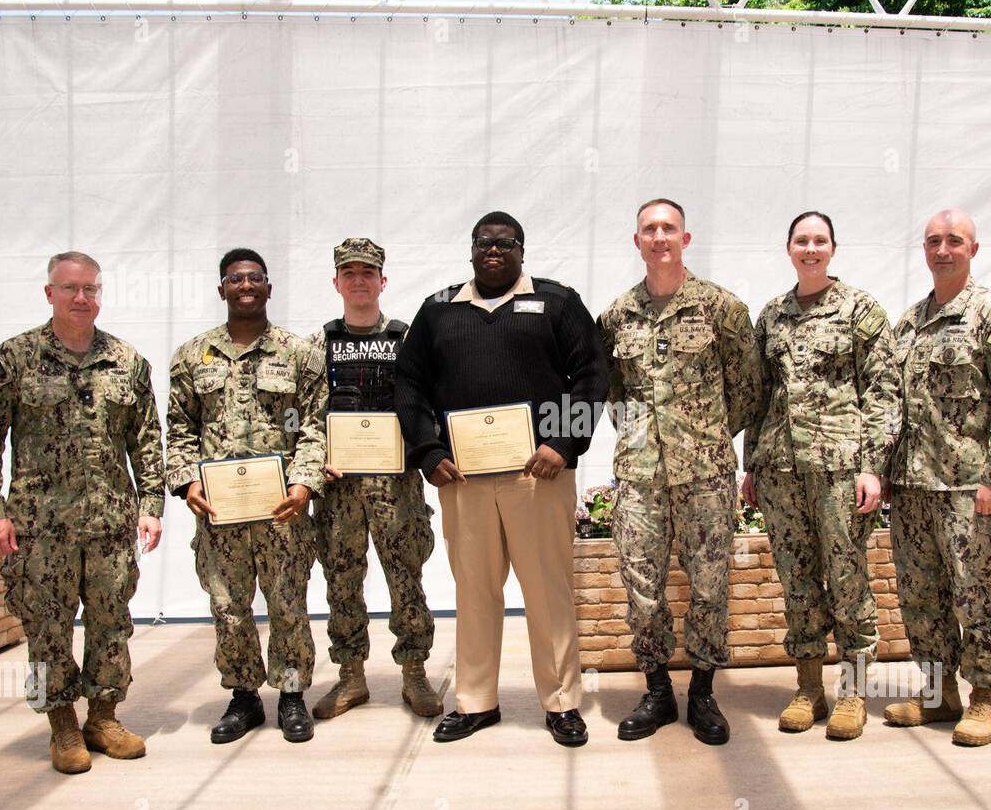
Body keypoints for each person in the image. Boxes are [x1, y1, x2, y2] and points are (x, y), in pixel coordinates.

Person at [394, 212, 609, 747]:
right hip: (463, 479)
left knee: (547, 592)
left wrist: (563, 443)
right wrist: (427, 450)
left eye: (505, 243)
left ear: (521, 250)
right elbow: (409, 383)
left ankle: (561, 703)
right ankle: (475, 702)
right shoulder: (440, 310)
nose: (494, 251)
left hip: (538, 477)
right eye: (484, 244)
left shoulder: (557, 303)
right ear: (471, 250)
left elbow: (591, 373)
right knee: (475, 592)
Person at [0, 251, 164, 774]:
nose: (81, 298)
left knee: (111, 624)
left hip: (108, 526)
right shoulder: (14, 360)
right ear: (49, 293)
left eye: (91, 289)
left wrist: (151, 505)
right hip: (38, 530)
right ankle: (62, 726)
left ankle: (102, 716)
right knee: (46, 629)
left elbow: (145, 441)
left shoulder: (126, 361)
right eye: (70, 288)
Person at [599, 199, 762, 746]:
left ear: (685, 240)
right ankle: (657, 691)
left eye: (669, 228)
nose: (660, 237)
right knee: (641, 589)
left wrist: (704, 435)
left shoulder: (722, 309)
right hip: (640, 477)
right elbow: (614, 396)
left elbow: (747, 390)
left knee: (711, 586)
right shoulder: (616, 317)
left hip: (706, 476)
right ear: (637, 241)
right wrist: (644, 439)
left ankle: (703, 692)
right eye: (650, 229)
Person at [883, 209, 991, 747]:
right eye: (933, 241)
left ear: (973, 249)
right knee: (920, 595)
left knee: (974, 595)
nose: (943, 249)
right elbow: (891, 406)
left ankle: (985, 699)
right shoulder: (908, 324)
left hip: (971, 492)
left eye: (954, 240)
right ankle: (938, 694)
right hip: (913, 489)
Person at [742, 211, 900, 740]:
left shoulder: (861, 311)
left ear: (833, 248)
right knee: (797, 581)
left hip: (840, 470)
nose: (810, 248)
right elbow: (760, 398)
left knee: (848, 578)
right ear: (789, 248)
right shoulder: (772, 317)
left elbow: (882, 393)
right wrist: (752, 467)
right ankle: (809, 687)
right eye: (801, 240)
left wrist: (872, 468)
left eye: (820, 240)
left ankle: (853, 690)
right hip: (782, 470)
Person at [167, 248, 327, 745]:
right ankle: (243, 696)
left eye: (255, 277)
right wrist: (185, 483)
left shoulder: (299, 354)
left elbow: (315, 426)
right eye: (235, 279)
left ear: (269, 288)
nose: (245, 285)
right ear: (222, 289)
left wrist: (303, 483)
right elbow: (178, 431)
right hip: (220, 514)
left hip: (283, 511)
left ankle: (294, 695)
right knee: (227, 606)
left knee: (288, 603)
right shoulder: (194, 356)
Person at [308, 238, 441, 721]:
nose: (359, 280)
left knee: (406, 577)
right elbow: (303, 415)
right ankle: (351, 677)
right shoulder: (315, 347)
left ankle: (414, 673)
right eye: (350, 273)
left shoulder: (408, 342)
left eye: (368, 273)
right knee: (341, 579)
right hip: (339, 486)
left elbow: (428, 403)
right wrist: (315, 457)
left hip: (396, 486)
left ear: (382, 281)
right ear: (337, 282)